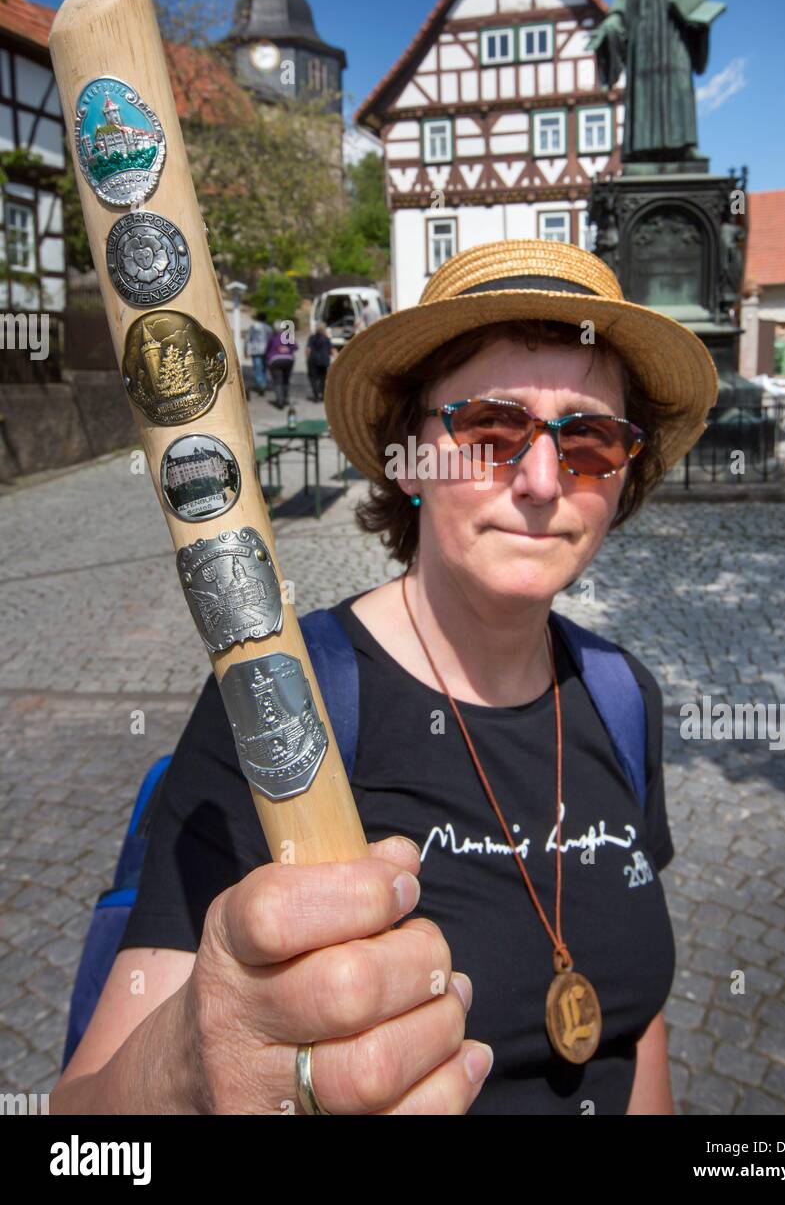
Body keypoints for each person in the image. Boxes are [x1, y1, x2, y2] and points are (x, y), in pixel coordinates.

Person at [51, 239, 718, 1116]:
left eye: (589, 439)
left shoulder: (622, 695)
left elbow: (639, 1028)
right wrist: (189, 1070)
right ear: (411, 460)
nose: (543, 480)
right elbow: (78, 1129)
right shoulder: (284, 700)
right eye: (490, 430)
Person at [265, 321, 297, 408]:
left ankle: (280, 401)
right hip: (288, 360)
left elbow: (267, 350)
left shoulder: (272, 337)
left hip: (275, 360)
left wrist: (267, 361)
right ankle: (285, 398)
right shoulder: (287, 336)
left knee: (278, 381)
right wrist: (288, 349)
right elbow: (295, 347)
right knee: (286, 380)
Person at [245, 312, 272, 395]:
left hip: (255, 350)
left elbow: (248, 339)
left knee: (257, 368)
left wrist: (245, 350)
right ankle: (263, 383)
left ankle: (261, 384)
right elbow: (271, 340)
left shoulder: (253, 327)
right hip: (266, 350)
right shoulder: (268, 328)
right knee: (264, 368)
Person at [306, 322, 333, 401]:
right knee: (323, 378)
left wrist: (308, 359)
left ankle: (316, 395)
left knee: (313, 378)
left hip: (313, 360)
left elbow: (308, 350)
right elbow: (332, 350)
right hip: (324, 361)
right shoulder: (326, 338)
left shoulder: (312, 337)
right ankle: (323, 395)